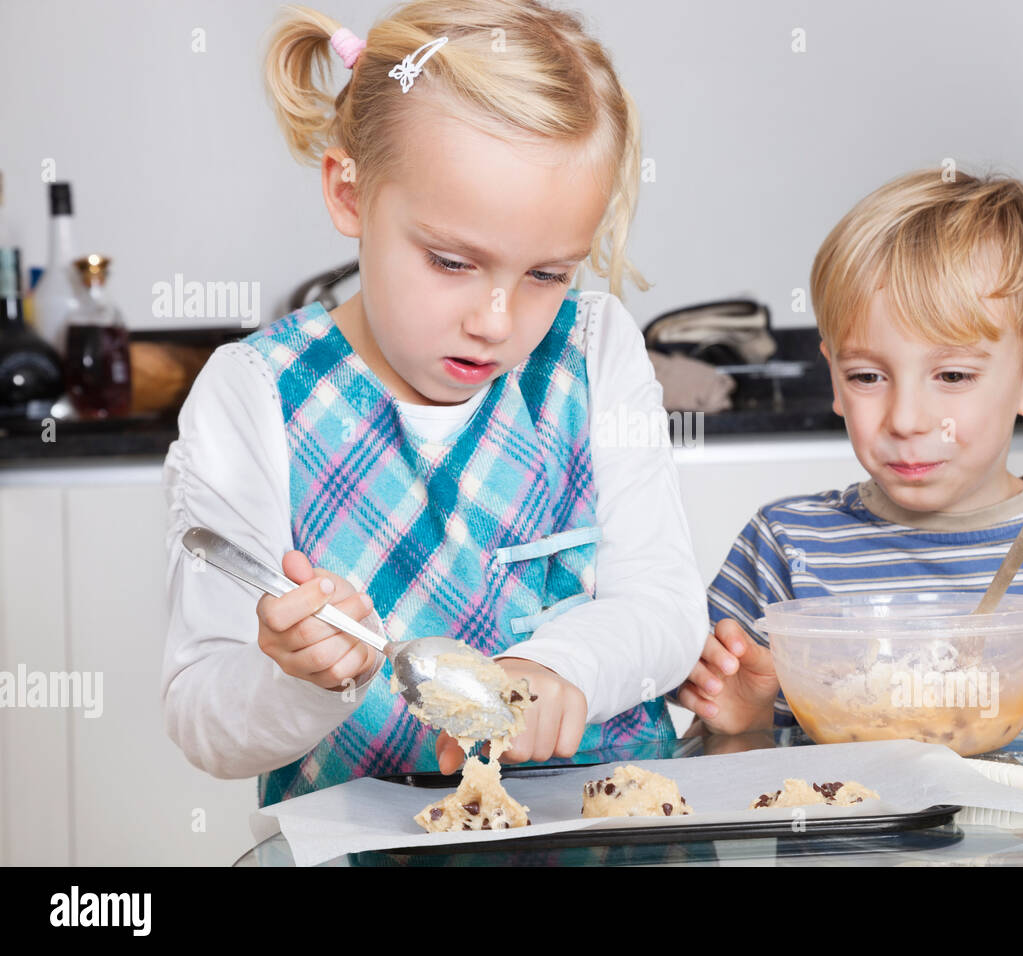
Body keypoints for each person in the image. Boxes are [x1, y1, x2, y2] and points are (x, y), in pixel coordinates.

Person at [161, 0, 707, 806]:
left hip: (613, 832)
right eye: (452, 262)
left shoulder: (593, 351)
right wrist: (301, 680)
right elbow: (202, 715)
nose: (495, 321)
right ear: (350, 193)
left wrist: (558, 668)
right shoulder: (257, 394)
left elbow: (663, 609)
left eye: (548, 275)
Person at [676, 167, 1023, 736]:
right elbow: (716, 785)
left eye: (951, 375)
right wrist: (742, 730)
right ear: (834, 379)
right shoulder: (783, 549)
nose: (904, 420)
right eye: (868, 376)